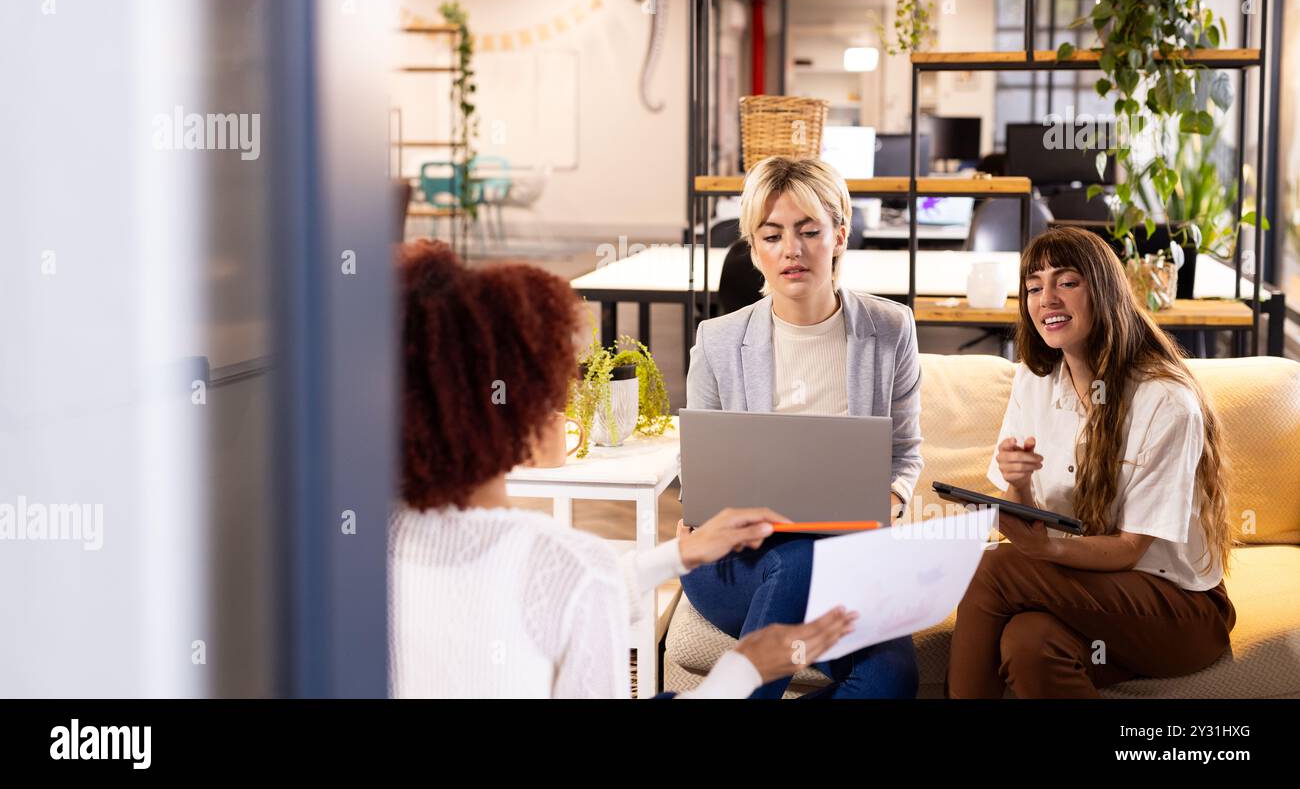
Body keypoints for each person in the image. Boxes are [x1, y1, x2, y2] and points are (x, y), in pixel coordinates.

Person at [389, 240, 856, 698]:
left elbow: (556, 593)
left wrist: (681, 555)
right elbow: (566, 587)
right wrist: (744, 671)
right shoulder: (560, 561)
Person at [947, 226, 1236, 698]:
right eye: (1035, 287)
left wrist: (1045, 551)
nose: (1047, 299)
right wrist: (1018, 486)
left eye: (1067, 281)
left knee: (991, 568)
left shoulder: (1164, 400)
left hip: (1178, 610)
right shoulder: (1035, 380)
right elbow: (1022, 514)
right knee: (1029, 643)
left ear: (1102, 290)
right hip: (1084, 593)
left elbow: (1128, 550)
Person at [682, 155, 923, 698]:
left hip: (848, 557)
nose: (791, 250)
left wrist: (888, 499)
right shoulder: (718, 341)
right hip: (737, 563)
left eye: (809, 231)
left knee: (892, 679)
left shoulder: (890, 330)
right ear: (755, 248)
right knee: (797, 558)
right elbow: (698, 466)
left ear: (839, 235)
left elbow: (905, 453)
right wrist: (700, 511)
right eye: (772, 235)